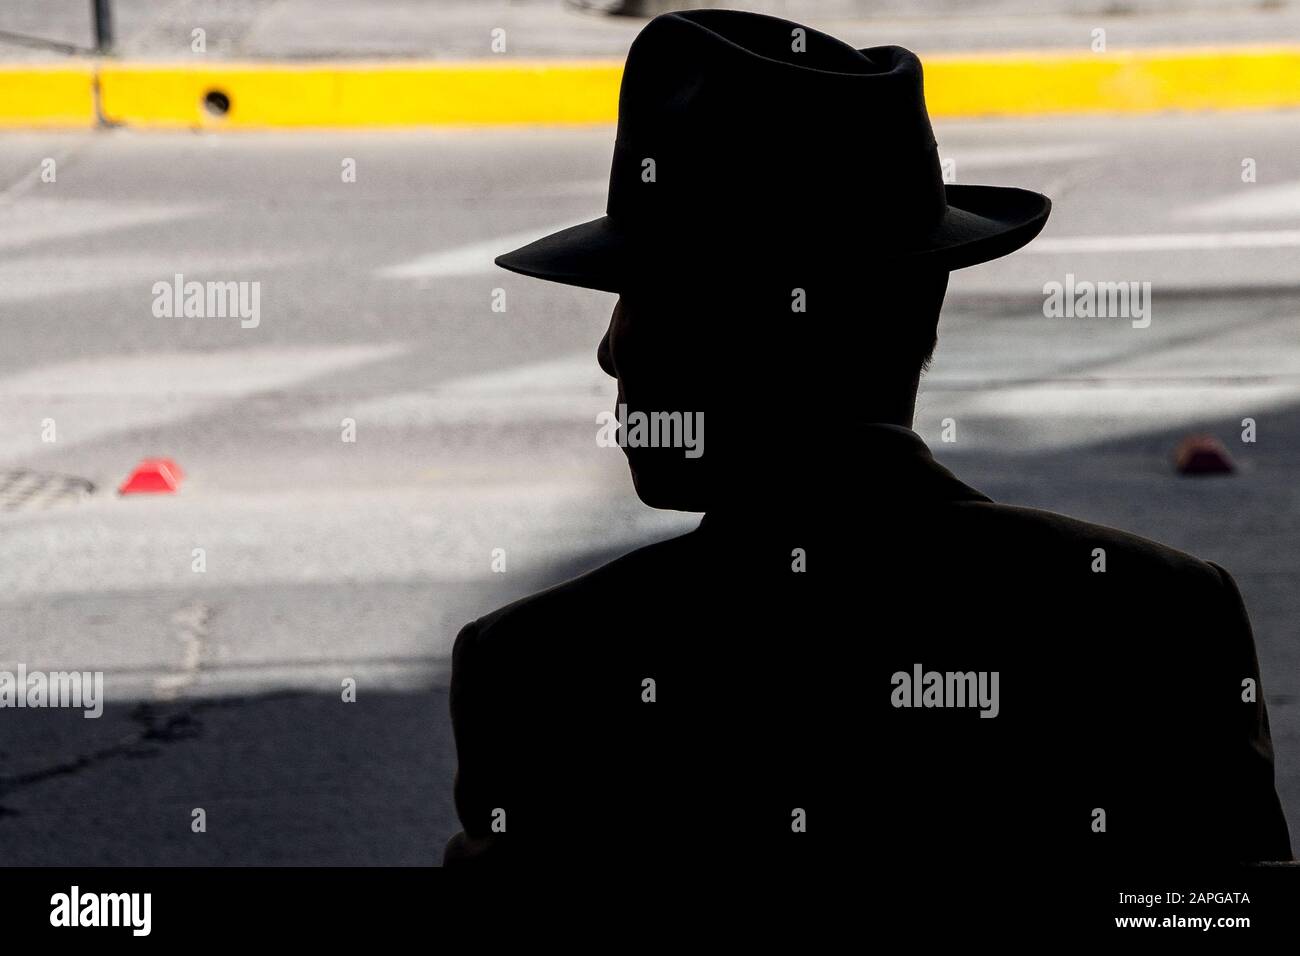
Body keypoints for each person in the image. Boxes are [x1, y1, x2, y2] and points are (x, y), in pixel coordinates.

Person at [443, 9, 1291, 868]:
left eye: (635, 298)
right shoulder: (1159, 616)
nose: (606, 348)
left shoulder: (544, 672)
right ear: (920, 310)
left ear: (718, 337)